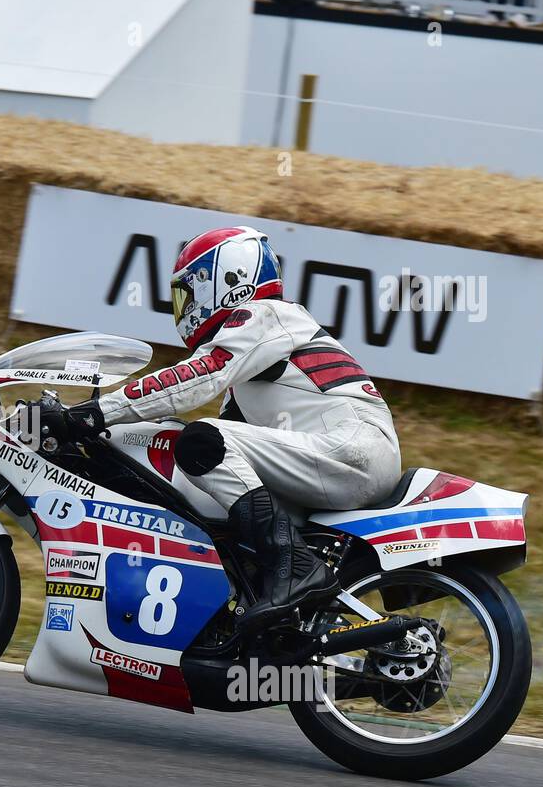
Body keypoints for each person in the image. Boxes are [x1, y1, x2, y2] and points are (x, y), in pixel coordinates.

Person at [67, 226, 402, 631]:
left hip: (352, 449)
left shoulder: (264, 315)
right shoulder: (251, 373)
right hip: (338, 455)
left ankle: (295, 566)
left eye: (189, 291)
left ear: (228, 280)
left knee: (203, 442)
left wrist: (97, 412)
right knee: (207, 476)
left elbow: (197, 377)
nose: (183, 306)